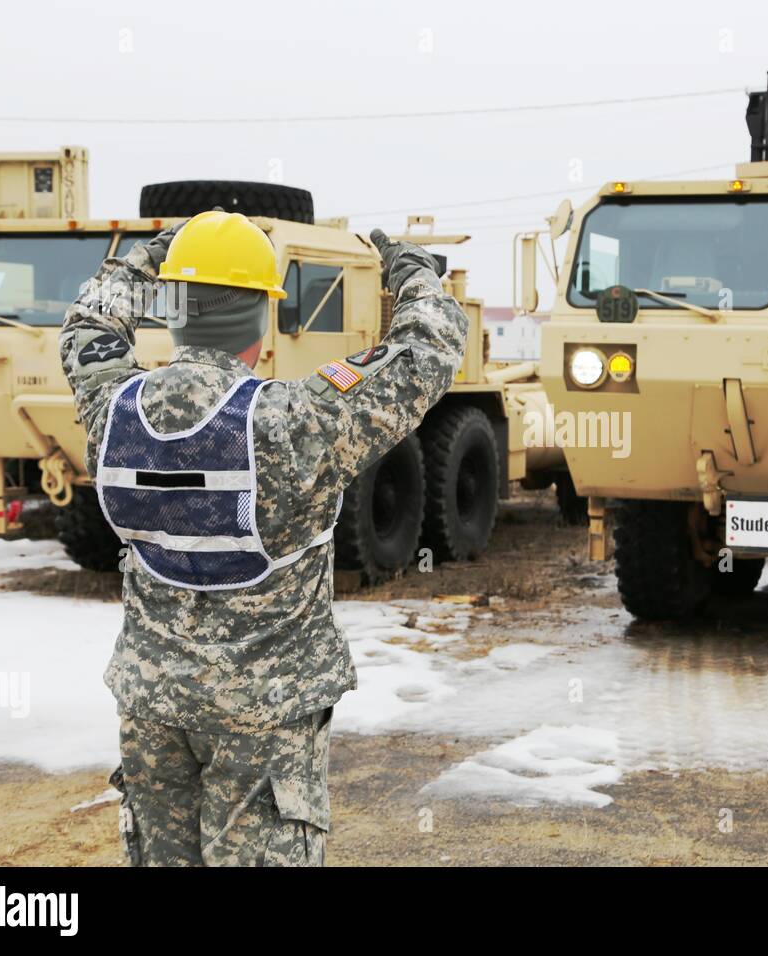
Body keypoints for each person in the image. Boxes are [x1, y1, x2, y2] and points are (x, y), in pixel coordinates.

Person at [58, 211, 468, 865]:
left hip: (153, 708)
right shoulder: (293, 421)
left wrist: (150, 257)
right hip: (265, 720)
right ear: (261, 319)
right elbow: (426, 354)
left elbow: (88, 327)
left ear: (172, 311)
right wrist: (410, 268)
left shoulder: (113, 408)